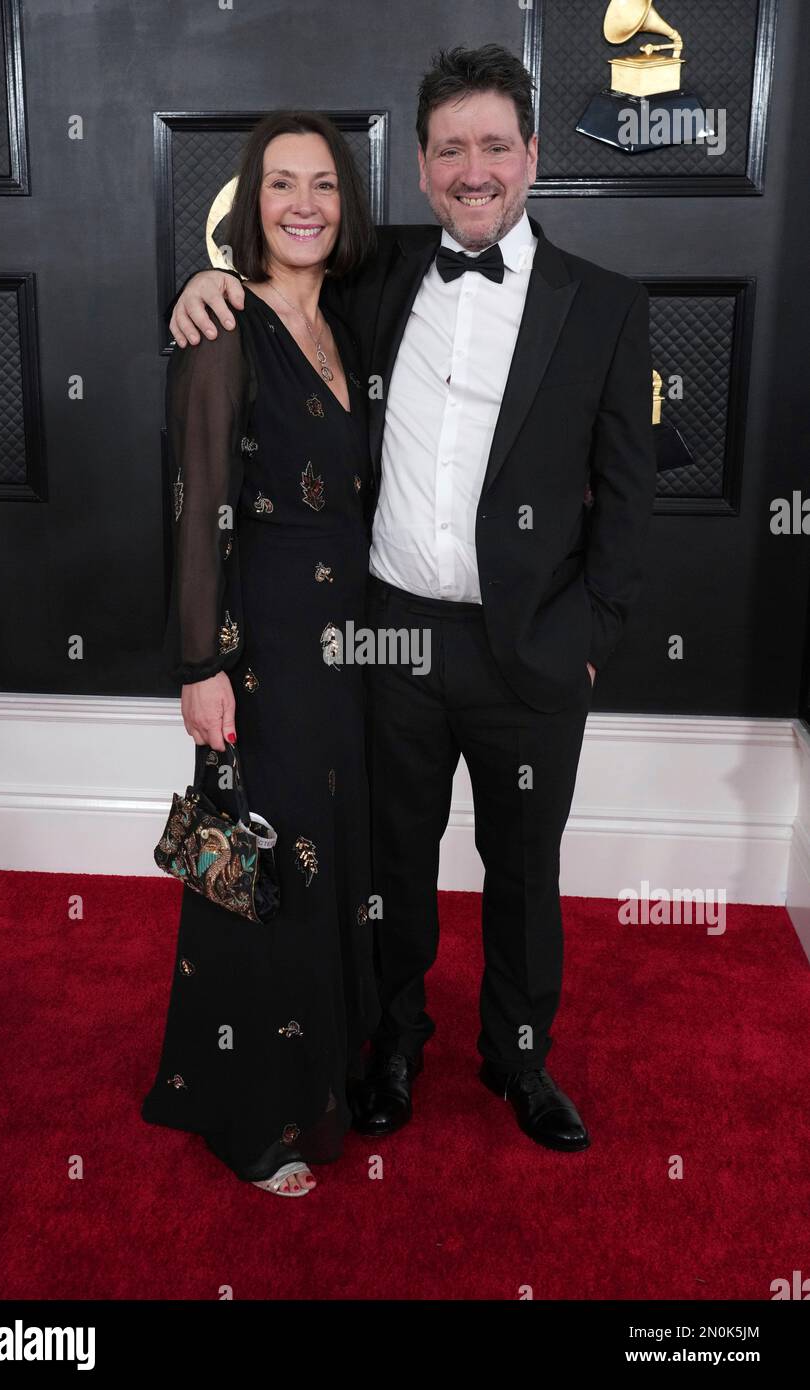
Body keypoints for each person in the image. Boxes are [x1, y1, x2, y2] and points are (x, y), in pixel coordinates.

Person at [168, 45, 657, 1155]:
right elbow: (264, 273)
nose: (472, 170)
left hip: (532, 648)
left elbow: (629, 499)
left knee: (523, 872)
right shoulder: (377, 270)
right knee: (389, 863)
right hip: (387, 639)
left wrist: (590, 640)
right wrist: (198, 281)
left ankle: (518, 1062)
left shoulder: (606, 307)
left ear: (532, 156)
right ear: (423, 172)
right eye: (449, 150)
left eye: (494, 145)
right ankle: (390, 1046)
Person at [142, 110, 380, 1195]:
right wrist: (201, 665)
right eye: (279, 184)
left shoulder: (351, 320)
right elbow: (193, 508)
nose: (302, 204)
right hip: (260, 647)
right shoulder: (221, 326)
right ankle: (252, 1118)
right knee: (257, 868)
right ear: (248, 204)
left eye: (322, 184)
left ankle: (320, 1076)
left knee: (327, 859)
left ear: (346, 201)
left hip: (349, 649)